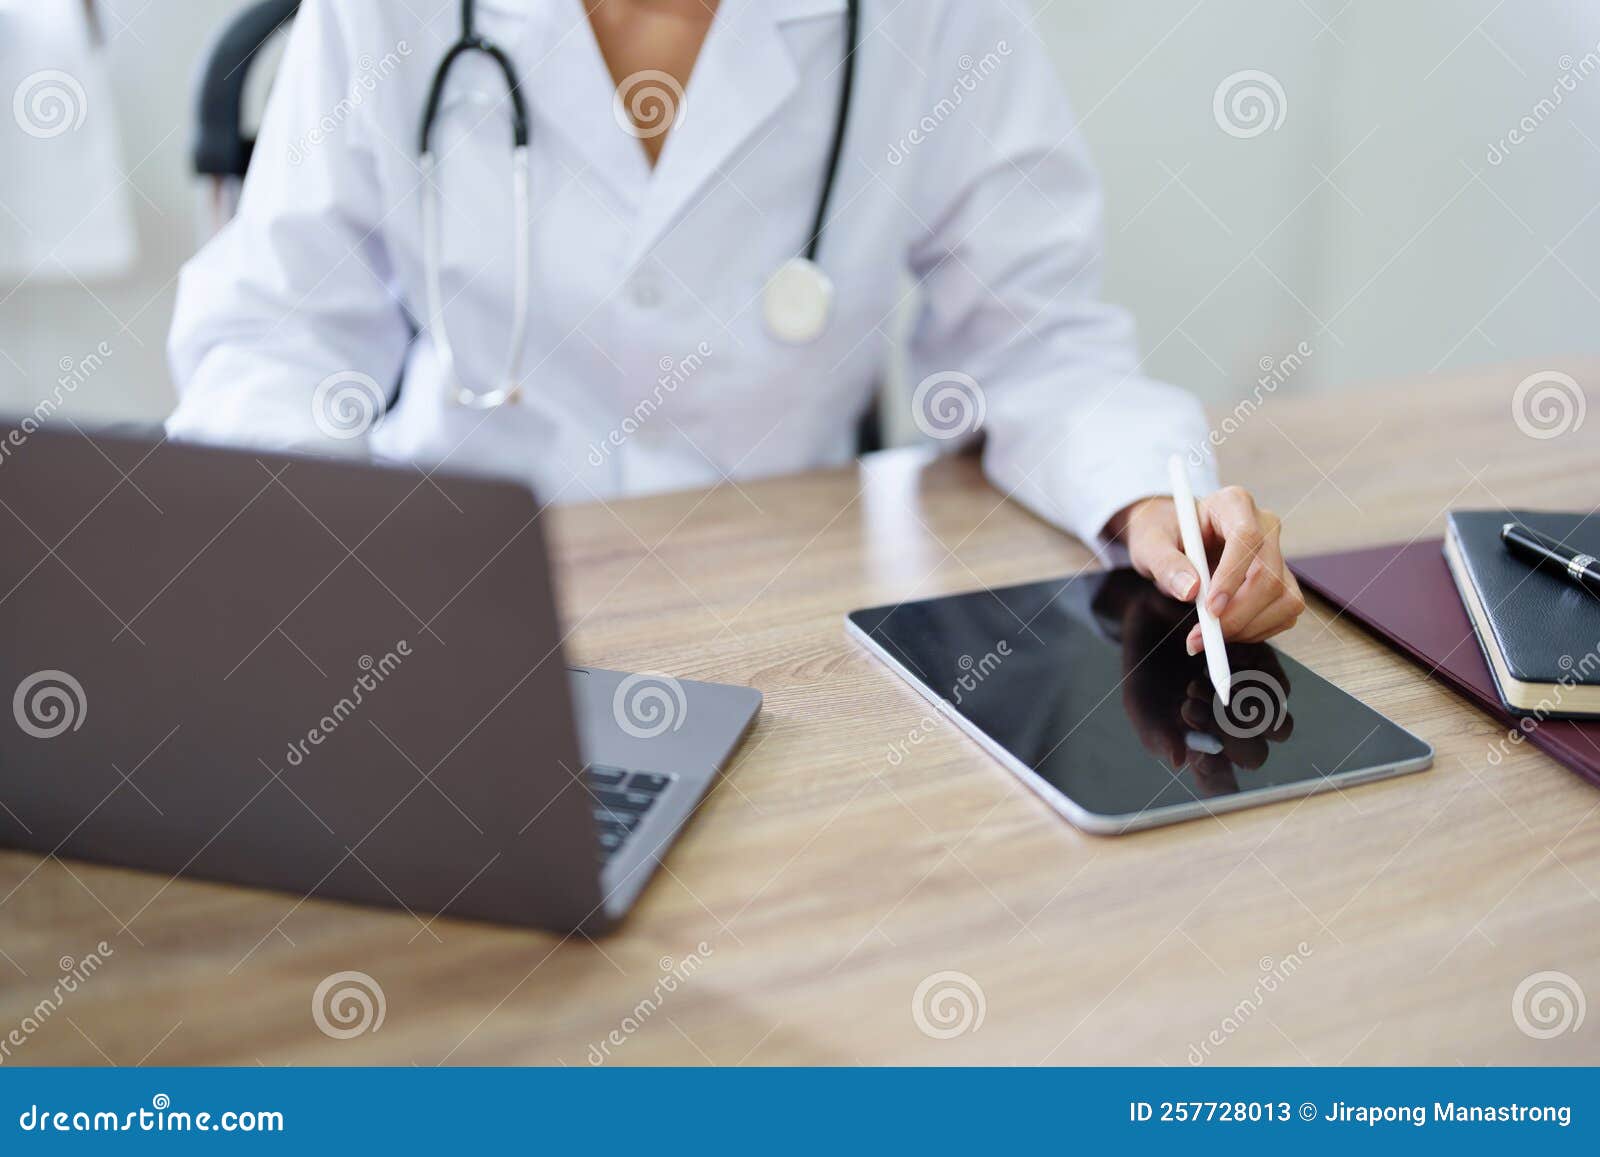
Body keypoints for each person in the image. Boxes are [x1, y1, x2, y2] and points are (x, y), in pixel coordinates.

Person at [166, 0, 1304, 653]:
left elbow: (1033, 340)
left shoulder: (932, 19)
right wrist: (289, 570)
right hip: (443, 598)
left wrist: (1145, 498)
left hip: (790, 609)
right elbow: (279, 333)